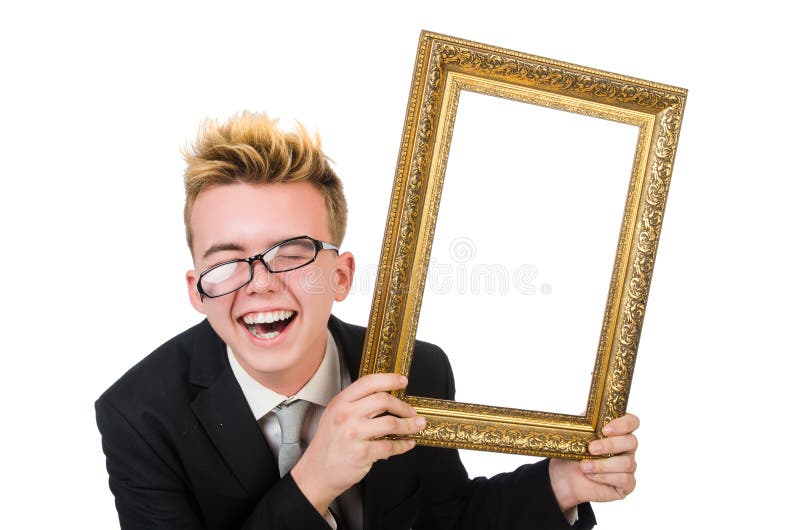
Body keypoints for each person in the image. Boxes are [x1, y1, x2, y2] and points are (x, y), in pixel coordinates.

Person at [96, 112, 639, 530]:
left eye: (291, 252)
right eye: (227, 261)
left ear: (341, 275)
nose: (261, 282)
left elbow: (444, 521)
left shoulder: (415, 369)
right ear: (196, 290)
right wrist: (315, 478)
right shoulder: (140, 415)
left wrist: (563, 483)